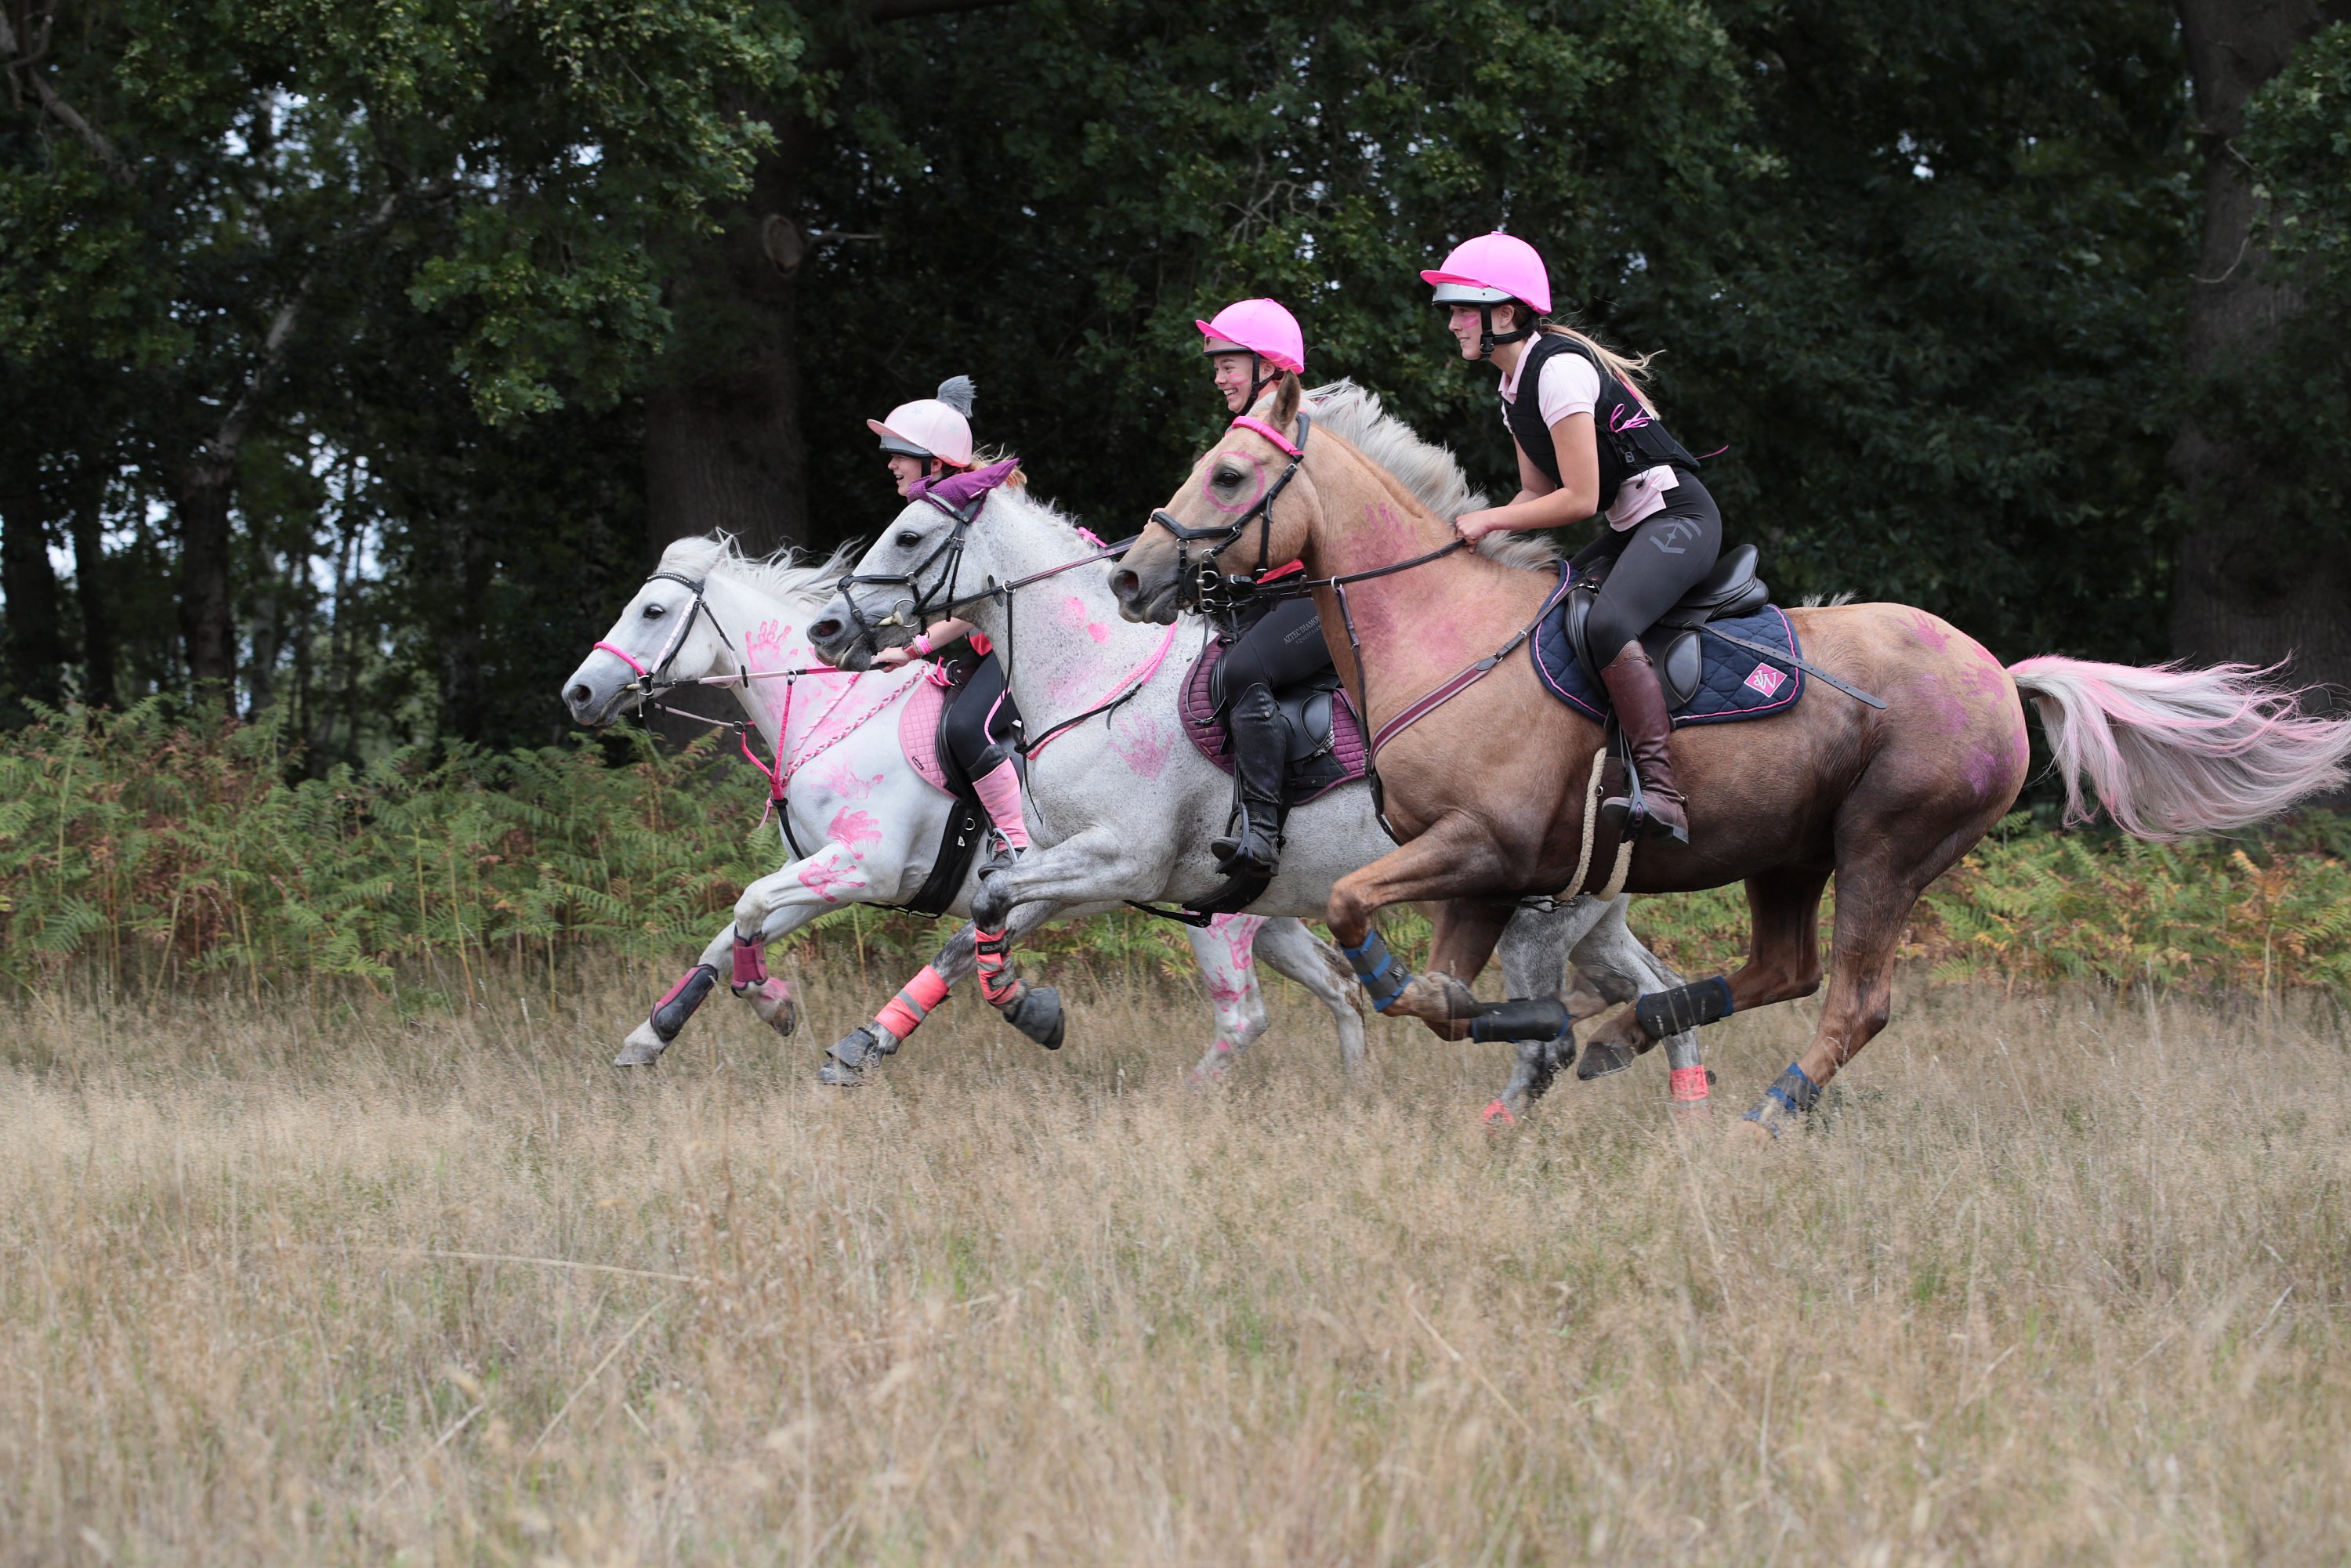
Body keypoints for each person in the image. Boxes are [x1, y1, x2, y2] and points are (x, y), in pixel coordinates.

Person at [1421, 232, 1717, 845]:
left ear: (1503, 312)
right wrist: (1471, 532)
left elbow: (1578, 500)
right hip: (1631, 526)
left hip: (1678, 519)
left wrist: (1492, 519)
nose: (1451, 323)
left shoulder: (1557, 371)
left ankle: (1663, 793)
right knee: (1544, 610)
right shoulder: (1512, 389)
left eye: (1459, 308)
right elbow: (1535, 494)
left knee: (1607, 625)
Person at [1192, 299, 1339, 877]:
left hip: (1317, 595)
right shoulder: (1246, 430)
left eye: (1229, 364)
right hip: (1271, 598)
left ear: (1268, 367)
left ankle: (1262, 833)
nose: (1218, 376)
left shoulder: (1305, 423)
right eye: (1217, 365)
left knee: (1236, 673)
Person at [865, 377, 1031, 871]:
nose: (891, 463)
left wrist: (915, 649)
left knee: (965, 727)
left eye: (899, 453)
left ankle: (1016, 842)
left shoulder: (980, 513)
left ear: (935, 464)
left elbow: (969, 609)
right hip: (988, 649)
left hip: (1021, 650)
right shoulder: (944, 511)